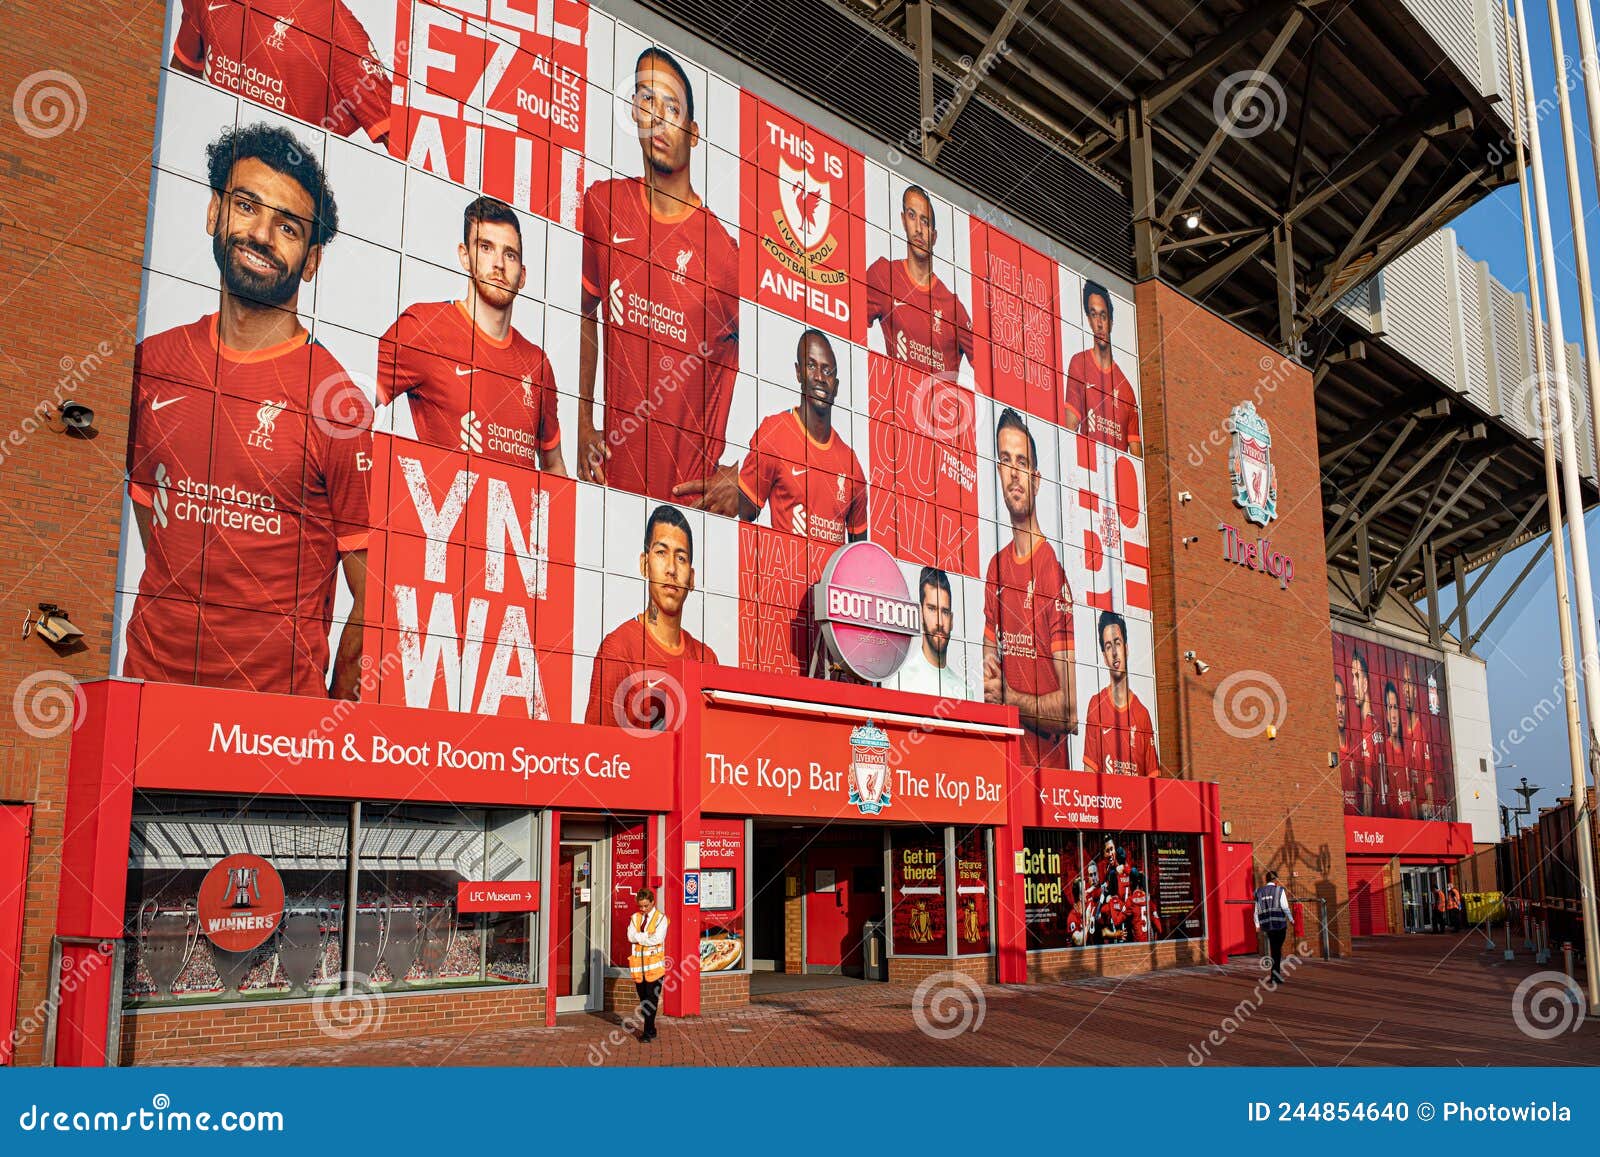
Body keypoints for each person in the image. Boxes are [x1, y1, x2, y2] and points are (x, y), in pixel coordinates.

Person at [124, 123, 370, 699]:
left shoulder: (336, 399)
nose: (261, 234)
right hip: (145, 703)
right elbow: (153, 517)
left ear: (310, 262)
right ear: (214, 213)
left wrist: (333, 702)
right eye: (245, 205)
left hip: (267, 738)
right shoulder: (152, 362)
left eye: (286, 228)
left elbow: (378, 586)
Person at [578, 47, 741, 511]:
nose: (659, 117)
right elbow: (583, 312)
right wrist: (583, 416)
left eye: (672, 108)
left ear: (693, 134)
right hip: (609, 492)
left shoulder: (726, 255)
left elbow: (789, 344)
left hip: (687, 510)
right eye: (647, 101)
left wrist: (747, 477)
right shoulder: (603, 204)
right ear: (634, 111)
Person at [377, 196, 566, 473]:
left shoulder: (537, 364)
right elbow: (352, 407)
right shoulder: (423, 326)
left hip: (515, 517)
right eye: (486, 248)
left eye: (510, 254)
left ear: (522, 275)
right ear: (465, 256)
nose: (499, 264)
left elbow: (553, 466)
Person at [983, 408, 1077, 767]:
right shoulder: (995, 568)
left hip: (1049, 786)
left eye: (1022, 462)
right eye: (1005, 460)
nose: (1014, 473)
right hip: (1003, 772)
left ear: (1036, 479)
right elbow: (988, 683)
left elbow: (1069, 711)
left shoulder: (1051, 571)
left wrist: (1012, 700)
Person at [170, 0, 391, 144]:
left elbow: (403, 140)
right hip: (201, 171)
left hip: (282, 197)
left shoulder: (336, 26)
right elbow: (178, 79)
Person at [586, 505, 718, 728]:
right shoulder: (618, 648)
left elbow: (715, 748)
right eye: (661, 553)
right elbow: (597, 751)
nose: (671, 569)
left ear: (692, 578)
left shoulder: (707, 658)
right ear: (644, 565)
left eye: (681, 558)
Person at [737, 329, 866, 544]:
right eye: (811, 366)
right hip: (788, 575)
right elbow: (745, 511)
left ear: (837, 386)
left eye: (828, 371)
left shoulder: (852, 466)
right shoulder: (775, 433)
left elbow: (859, 557)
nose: (819, 377)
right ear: (798, 373)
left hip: (831, 579)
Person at [864, 184, 974, 378]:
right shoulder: (884, 275)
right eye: (912, 216)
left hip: (941, 405)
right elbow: (846, 325)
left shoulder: (953, 307)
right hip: (898, 404)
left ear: (934, 235)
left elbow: (989, 370)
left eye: (925, 221)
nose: (918, 229)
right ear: (903, 220)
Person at [1063, 281, 1142, 456]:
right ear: (1089, 320)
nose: (1099, 323)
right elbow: (1069, 430)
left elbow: (1137, 458)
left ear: (1111, 322)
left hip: (1117, 478)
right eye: (1093, 315)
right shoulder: (1078, 364)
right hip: (1087, 471)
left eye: (1103, 316)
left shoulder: (1127, 390)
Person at [1082, 610, 1159, 775]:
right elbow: (1089, 774)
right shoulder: (1096, 706)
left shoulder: (1142, 714)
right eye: (1109, 646)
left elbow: (1154, 779)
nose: (1115, 653)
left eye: (1117, 643)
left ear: (1126, 648)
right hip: (1108, 800)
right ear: (1104, 656)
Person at [897, 566, 975, 699]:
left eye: (945, 612)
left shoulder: (964, 691)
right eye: (932, 609)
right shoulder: (902, 681)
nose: (939, 621)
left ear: (951, 620)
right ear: (921, 614)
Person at [626, 886, 668, 1042]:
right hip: (638, 968)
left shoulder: (661, 919)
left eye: (646, 906)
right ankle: (651, 1029)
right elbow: (630, 937)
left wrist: (639, 937)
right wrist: (645, 936)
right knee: (644, 1000)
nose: (643, 909)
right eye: (640, 906)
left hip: (655, 968)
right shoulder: (635, 917)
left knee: (651, 1000)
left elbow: (657, 939)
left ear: (652, 902)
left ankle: (646, 1033)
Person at [1381, 681, 1413, 820]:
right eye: (1390, 708)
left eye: (1395, 708)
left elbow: (1414, 796)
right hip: (1393, 828)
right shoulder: (1383, 751)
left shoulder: (1408, 750)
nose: (1393, 714)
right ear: (1386, 713)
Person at [1253, 870, 1291, 983]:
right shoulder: (1279, 890)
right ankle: (1275, 976)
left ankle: (1275, 975)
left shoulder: (1259, 891)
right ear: (1275, 880)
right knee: (1276, 950)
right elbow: (1285, 907)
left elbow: (1256, 910)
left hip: (1268, 926)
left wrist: (1257, 924)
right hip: (1280, 925)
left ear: (1266, 879)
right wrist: (1291, 919)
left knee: (1275, 949)